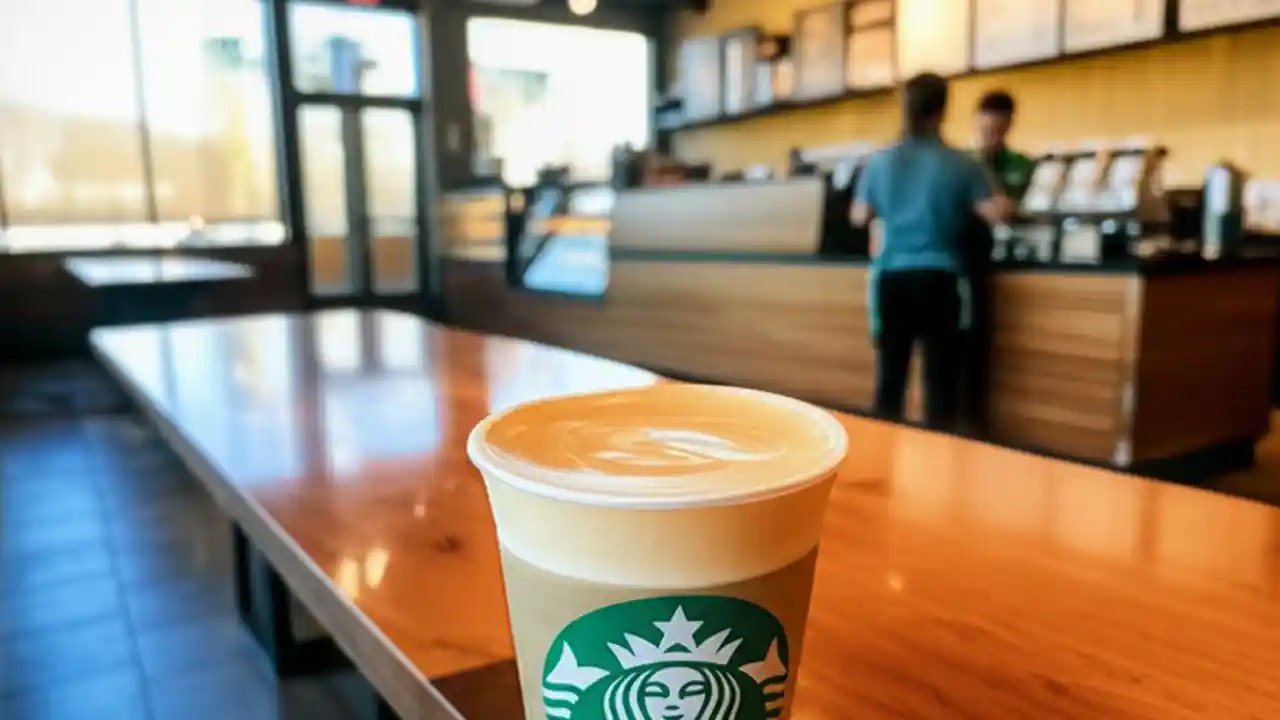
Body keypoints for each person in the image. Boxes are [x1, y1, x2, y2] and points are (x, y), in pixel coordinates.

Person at [852, 73, 1012, 429]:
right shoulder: (962, 163)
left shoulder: (879, 161)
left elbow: (859, 215)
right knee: (941, 389)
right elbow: (997, 211)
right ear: (943, 110)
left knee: (890, 381)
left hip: (891, 279)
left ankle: (878, 471)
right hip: (942, 280)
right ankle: (939, 471)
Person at [959, 90, 1036, 433]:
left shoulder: (1023, 165)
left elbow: (1020, 213)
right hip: (963, 263)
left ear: (1009, 126)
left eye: (997, 129)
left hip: (1003, 261)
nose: (990, 135)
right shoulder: (962, 164)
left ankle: (976, 422)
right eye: (985, 128)